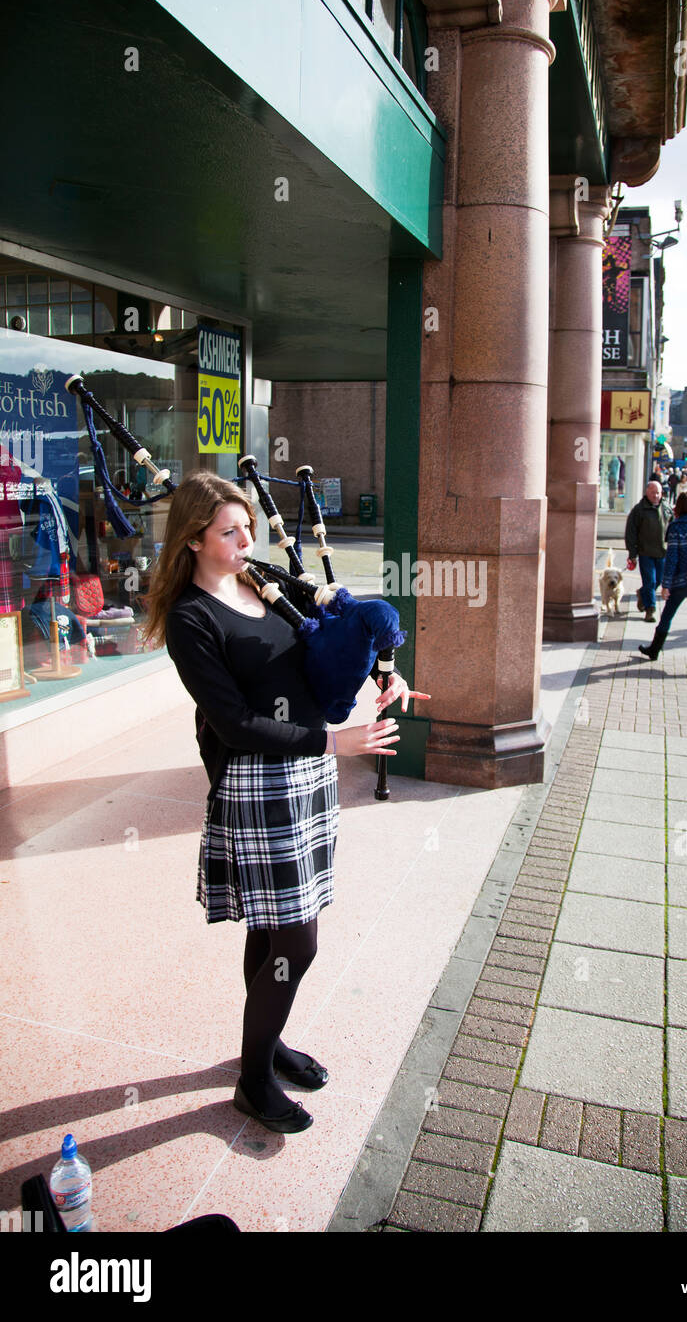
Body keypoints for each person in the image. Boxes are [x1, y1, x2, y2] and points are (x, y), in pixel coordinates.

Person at [144, 471, 428, 1135]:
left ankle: (264, 1047)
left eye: (248, 525)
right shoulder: (191, 619)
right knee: (297, 942)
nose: (248, 539)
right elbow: (237, 723)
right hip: (257, 782)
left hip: (305, 771)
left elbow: (339, 629)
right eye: (230, 531)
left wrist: (388, 675)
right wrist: (335, 739)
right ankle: (251, 1083)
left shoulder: (260, 579)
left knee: (270, 930)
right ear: (192, 540)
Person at [637, 489, 687, 676]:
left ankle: (654, 649)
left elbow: (672, 558)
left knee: (667, 616)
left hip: (681, 581)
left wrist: (666, 584)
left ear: (679, 506)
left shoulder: (677, 527)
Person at [625, 480, 671, 623]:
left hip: (662, 552)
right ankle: (650, 610)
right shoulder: (639, 510)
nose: (656, 495)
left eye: (658, 493)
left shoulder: (667, 508)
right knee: (650, 581)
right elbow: (631, 532)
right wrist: (632, 553)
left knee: (658, 580)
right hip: (645, 552)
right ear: (647, 492)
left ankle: (642, 593)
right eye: (653, 493)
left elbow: (672, 528)